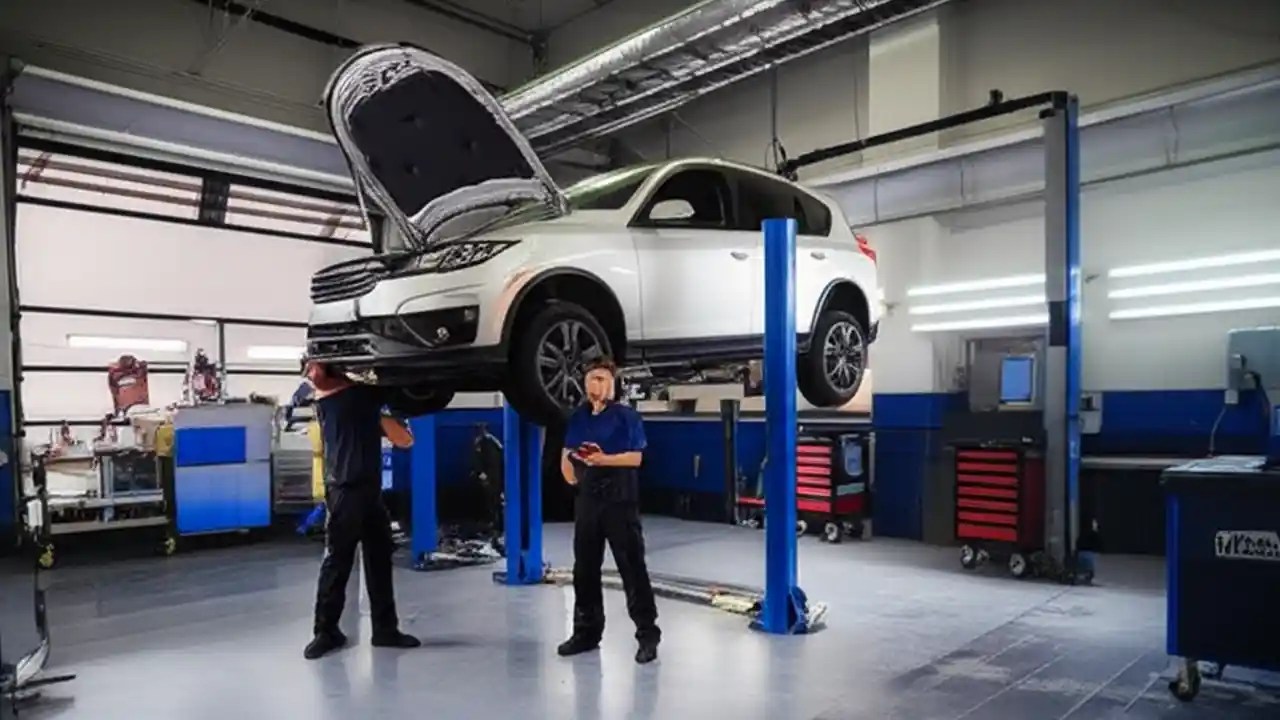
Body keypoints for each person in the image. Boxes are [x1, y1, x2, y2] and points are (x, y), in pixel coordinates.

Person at [303, 360, 421, 660]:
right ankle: (326, 631)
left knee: (378, 559)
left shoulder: (363, 398)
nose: (311, 373)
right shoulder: (339, 397)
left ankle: (384, 629)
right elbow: (404, 439)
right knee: (338, 561)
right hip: (344, 490)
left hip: (368, 490)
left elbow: (404, 440)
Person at [557, 356, 661, 664]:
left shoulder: (626, 418)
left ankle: (647, 634)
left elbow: (636, 458)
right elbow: (567, 454)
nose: (595, 385)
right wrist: (572, 475)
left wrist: (603, 460)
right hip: (589, 500)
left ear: (612, 384)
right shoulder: (578, 417)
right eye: (591, 379)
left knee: (632, 568)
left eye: (602, 379)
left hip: (620, 500)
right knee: (584, 569)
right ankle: (586, 632)